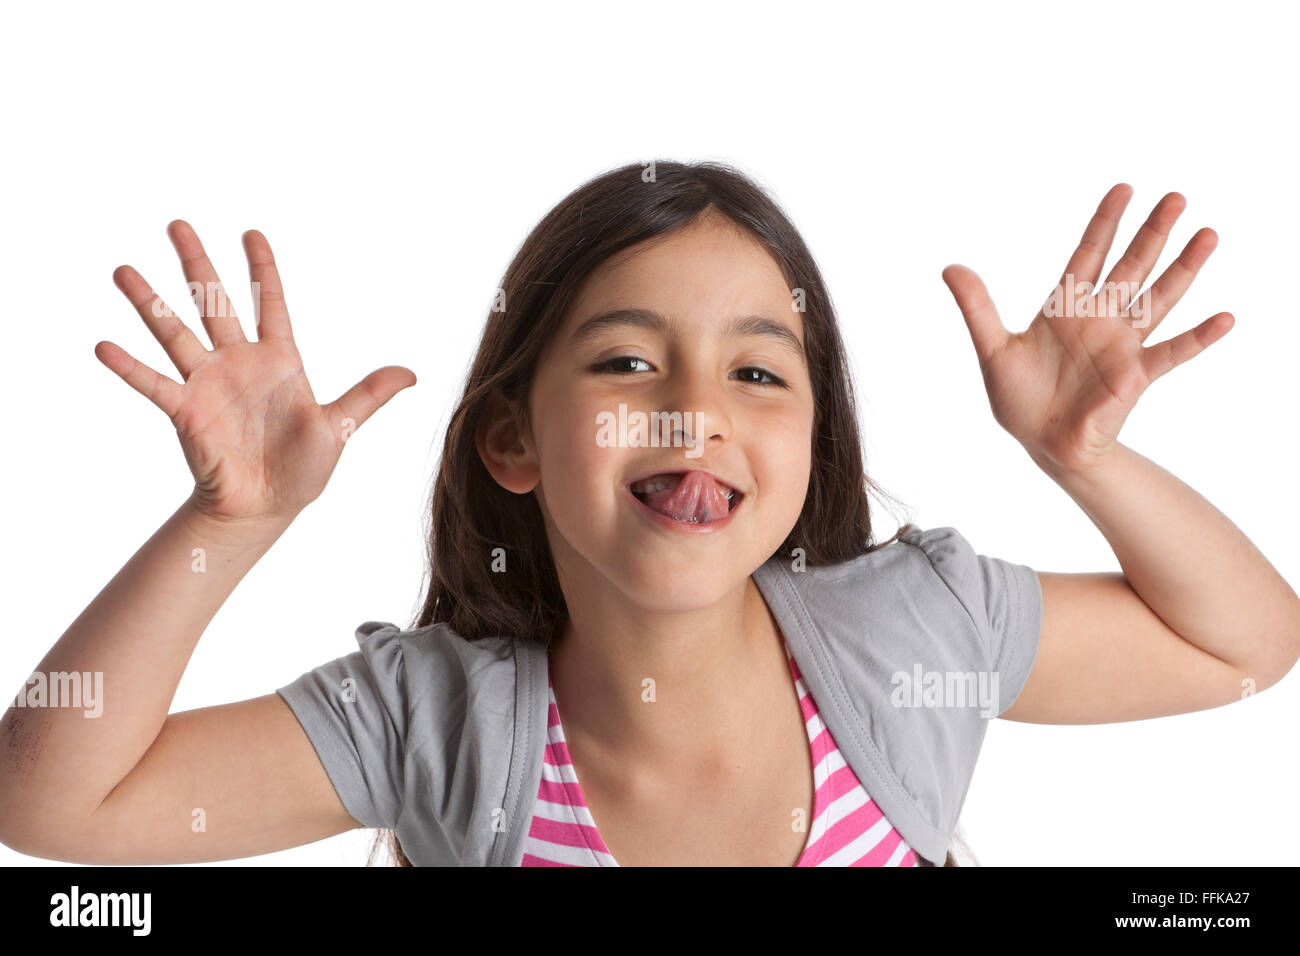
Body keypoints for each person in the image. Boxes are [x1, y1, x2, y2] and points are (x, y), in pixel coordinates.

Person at [2, 161, 1295, 867]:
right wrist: (233, 521)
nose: (695, 412)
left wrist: (1084, 459)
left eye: (757, 371)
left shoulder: (915, 640)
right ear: (512, 438)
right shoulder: (434, 726)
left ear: (810, 440)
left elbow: (1245, 645)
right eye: (627, 362)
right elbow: (53, 807)